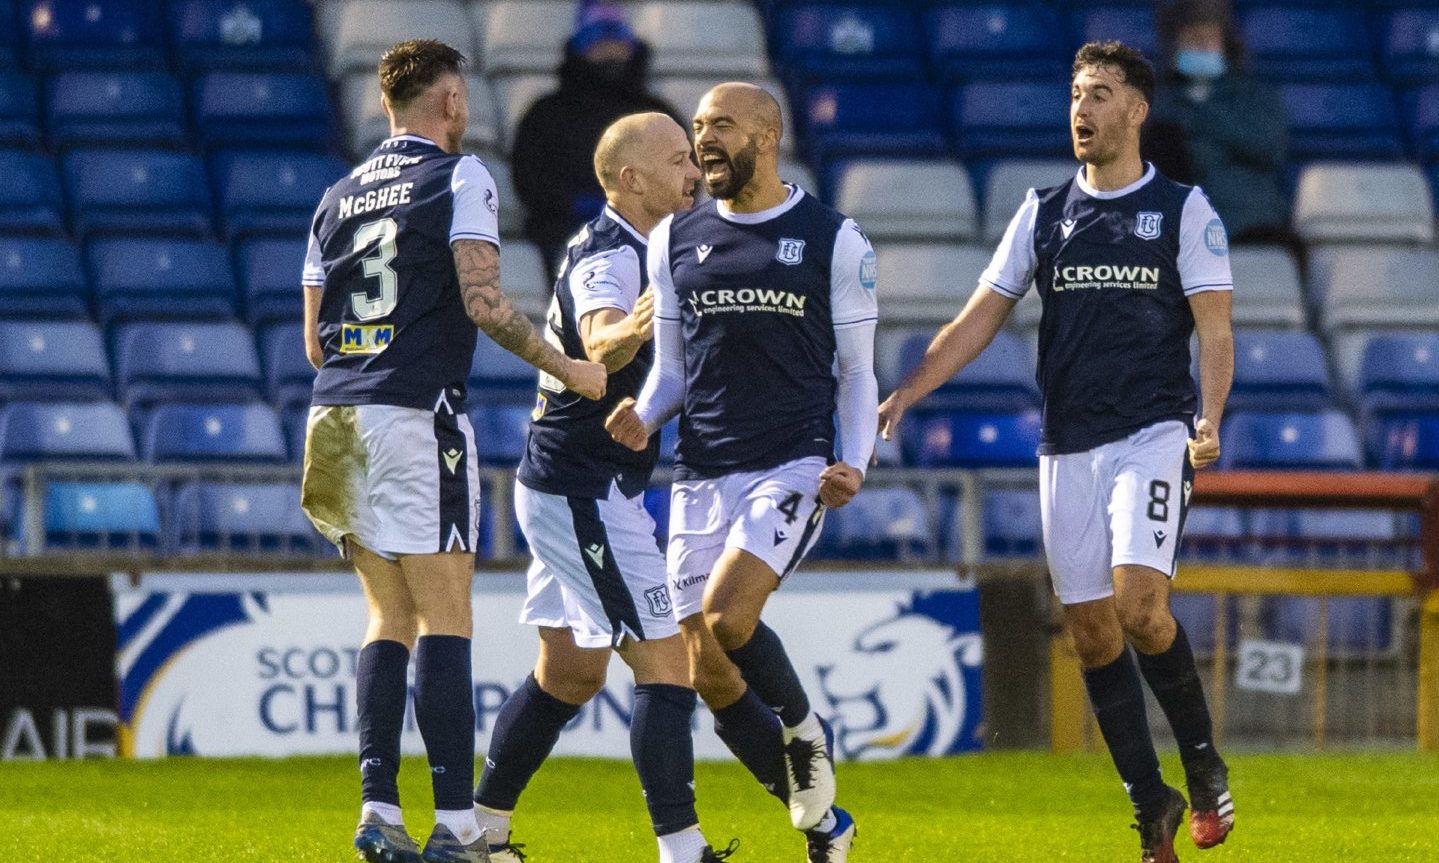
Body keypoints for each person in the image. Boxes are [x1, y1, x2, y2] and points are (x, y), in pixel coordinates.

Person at [877, 42, 1235, 863]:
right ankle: (1152, 804)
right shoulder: (1041, 211)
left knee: (1139, 607)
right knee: (1090, 636)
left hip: (1152, 432)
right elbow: (979, 315)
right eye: (1076, 94)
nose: (1081, 109)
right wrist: (910, 387)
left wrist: (1208, 417)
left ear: (1135, 111)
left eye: (1100, 94)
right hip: (1066, 444)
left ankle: (1204, 759)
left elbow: (1214, 328)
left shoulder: (1183, 211)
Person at [298, 39, 605, 863]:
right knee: (445, 616)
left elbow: (314, 344)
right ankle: (459, 827)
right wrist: (566, 365)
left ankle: (376, 813)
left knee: (386, 615)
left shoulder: (335, 196)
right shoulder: (460, 176)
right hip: (412, 414)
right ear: (452, 102)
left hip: (334, 418)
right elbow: (482, 300)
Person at [607, 83, 878, 863]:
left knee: (729, 617)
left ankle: (801, 728)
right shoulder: (673, 240)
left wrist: (851, 461)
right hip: (700, 470)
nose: (703, 141)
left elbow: (857, 371)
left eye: (719, 124)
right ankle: (828, 825)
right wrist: (644, 414)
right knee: (708, 668)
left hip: (789, 462)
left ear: (768, 132)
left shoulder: (834, 238)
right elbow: (671, 372)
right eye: (695, 129)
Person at [470, 113, 734, 863]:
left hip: (571, 482)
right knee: (665, 663)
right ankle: (683, 850)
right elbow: (598, 337)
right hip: (579, 485)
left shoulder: (657, 243)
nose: (692, 170)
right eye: (679, 159)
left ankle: (478, 833)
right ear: (631, 179)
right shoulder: (608, 252)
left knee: (572, 670)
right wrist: (654, 311)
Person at [511, 0, 680, 274]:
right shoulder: (546, 114)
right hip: (566, 232)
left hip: (648, 231)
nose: (610, 50)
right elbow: (530, 178)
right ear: (579, 48)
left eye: (617, 40)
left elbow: (683, 175)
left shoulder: (657, 114)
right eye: (598, 41)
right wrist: (577, 205)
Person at [1145, 0, 1290, 245]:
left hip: (1253, 224)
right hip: (1182, 233)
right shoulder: (1156, 100)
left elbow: (1269, 147)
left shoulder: (1254, 95)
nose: (1201, 46)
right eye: (1192, 38)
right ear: (1174, 46)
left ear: (1225, 44)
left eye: (1209, 38)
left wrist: (1199, 118)